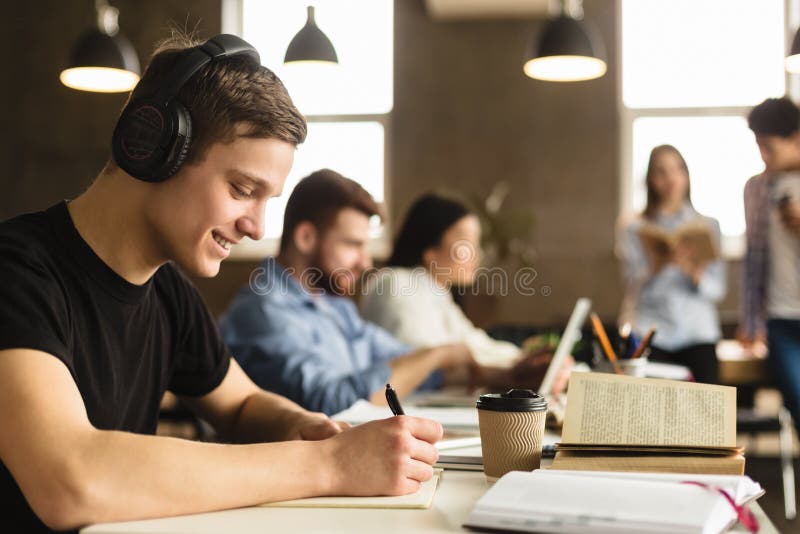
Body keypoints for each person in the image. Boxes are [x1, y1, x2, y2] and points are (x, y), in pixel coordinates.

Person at [0, 34, 442, 533]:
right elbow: (69, 478)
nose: (255, 226)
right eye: (241, 190)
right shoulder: (16, 271)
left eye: (266, 200)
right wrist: (333, 464)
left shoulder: (168, 293)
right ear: (152, 147)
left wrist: (304, 427)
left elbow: (243, 403)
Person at [219, 170, 490, 416]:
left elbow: (407, 363)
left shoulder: (337, 307)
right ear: (306, 237)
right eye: (353, 245)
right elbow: (332, 403)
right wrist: (438, 355)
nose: (366, 262)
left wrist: (507, 377)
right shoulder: (264, 311)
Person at [359, 193, 572, 394]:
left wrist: (523, 358)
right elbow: (419, 357)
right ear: (430, 249)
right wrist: (512, 369)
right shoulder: (395, 283)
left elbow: (473, 342)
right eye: (467, 244)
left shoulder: (435, 292)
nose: (478, 255)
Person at [616, 145, 726, 384]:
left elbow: (718, 290)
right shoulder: (634, 228)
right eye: (661, 172)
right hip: (652, 331)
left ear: (686, 175)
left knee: (706, 410)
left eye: (677, 169)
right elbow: (630, 284)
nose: (671, 178)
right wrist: (658, 266)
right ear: (650, 180)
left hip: (698, 331)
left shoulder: (707, 226)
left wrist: (693, 273)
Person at [741, 97, 800, 432]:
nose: (763, 156)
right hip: (779, 319)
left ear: (796, 139)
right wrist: (750, 321)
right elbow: (752, 261)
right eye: (758, 146)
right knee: (797, 400)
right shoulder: (756, 189)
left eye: (769, 147)